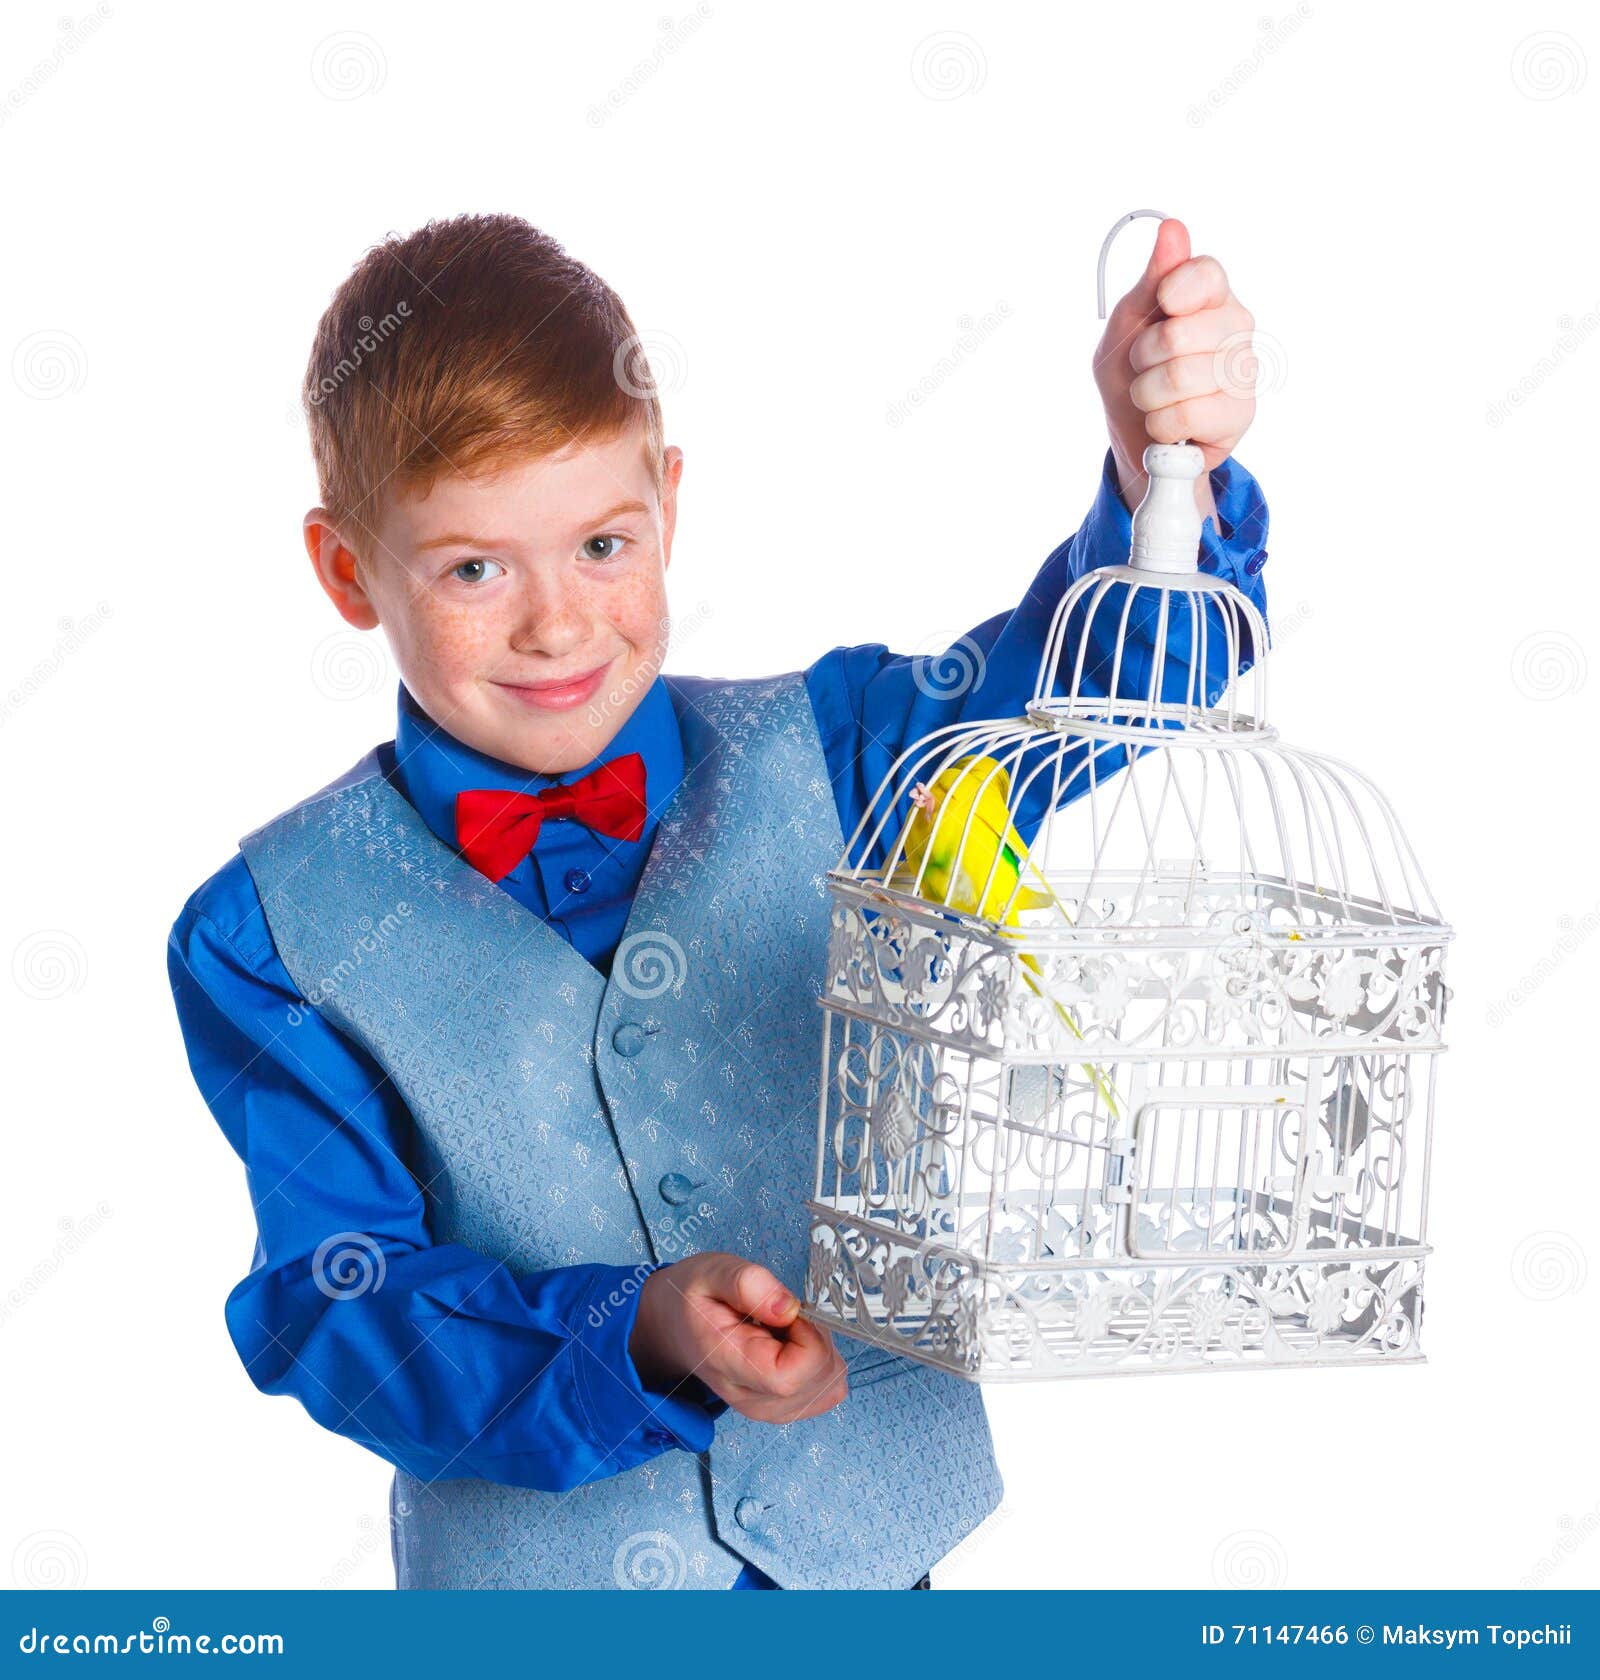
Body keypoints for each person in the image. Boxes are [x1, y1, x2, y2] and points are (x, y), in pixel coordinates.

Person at [167, 212, 1267, 1590]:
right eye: (472, 569)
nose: (558, 626)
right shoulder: (265, 932)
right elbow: (343, 1308)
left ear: (670, 505)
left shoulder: (844, 747)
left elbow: (1099, 687)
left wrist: (1170, 470)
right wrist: (635, 1333)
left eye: (605, 546)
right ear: (346, 571)